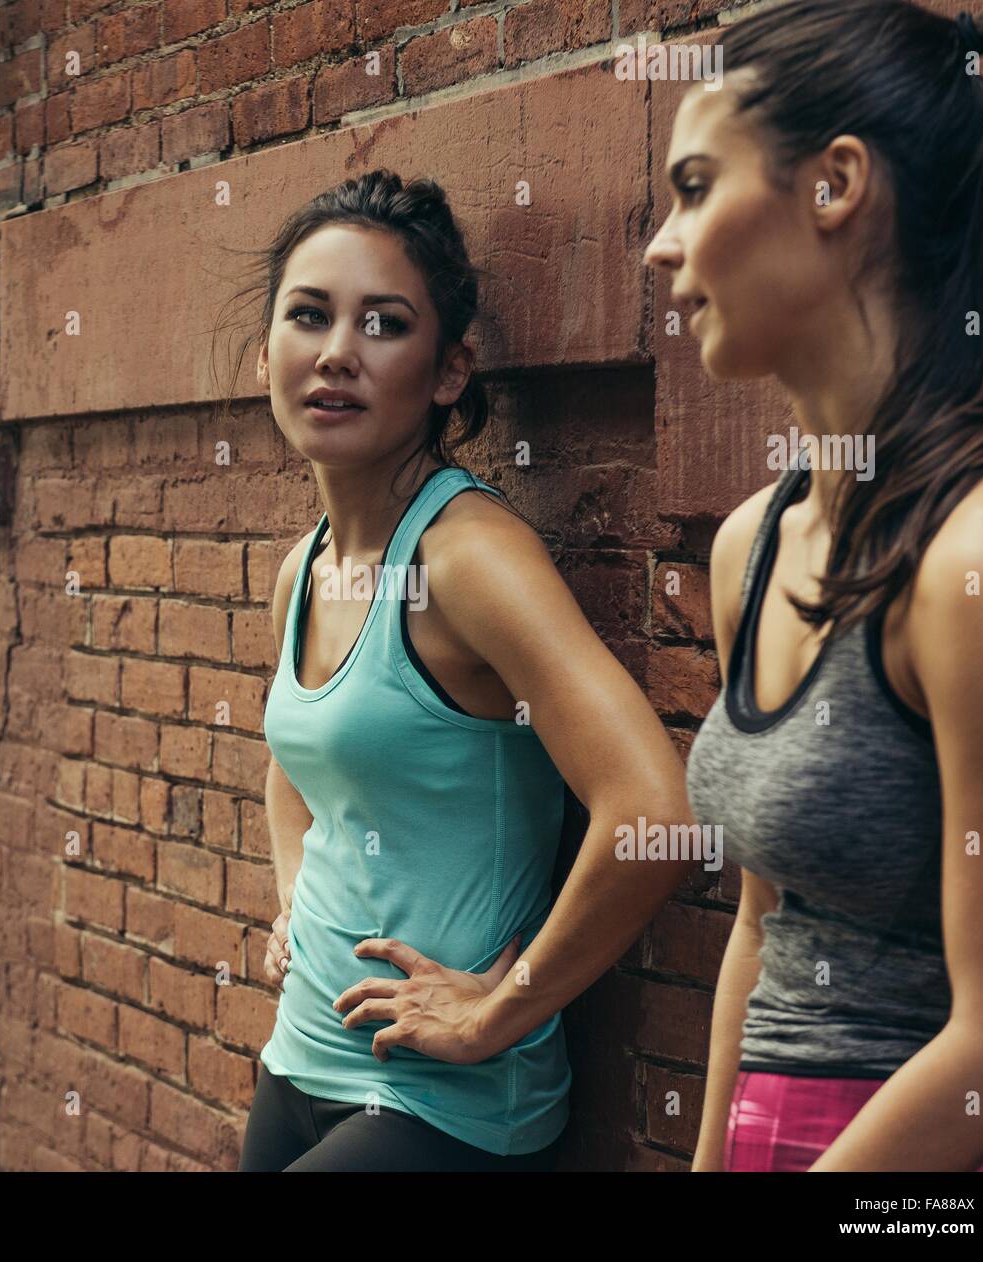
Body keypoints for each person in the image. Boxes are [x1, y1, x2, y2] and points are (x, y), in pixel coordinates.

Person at [227, 169, 697, 1171]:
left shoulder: (464, 556)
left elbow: (651, 810)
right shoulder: (302, 571)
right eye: (307, 315)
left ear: (449, 371)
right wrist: (294, 901)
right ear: (263, 350)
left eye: (384, 324)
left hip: (448, 1101)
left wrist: (500, 1007)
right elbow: (297, 767)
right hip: (300, 1057)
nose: (336, 352)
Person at [645, 0, 983, 1171]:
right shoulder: (749, 547)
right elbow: (761, 923)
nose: (661, 242)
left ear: (835, 185)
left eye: (697, 185)